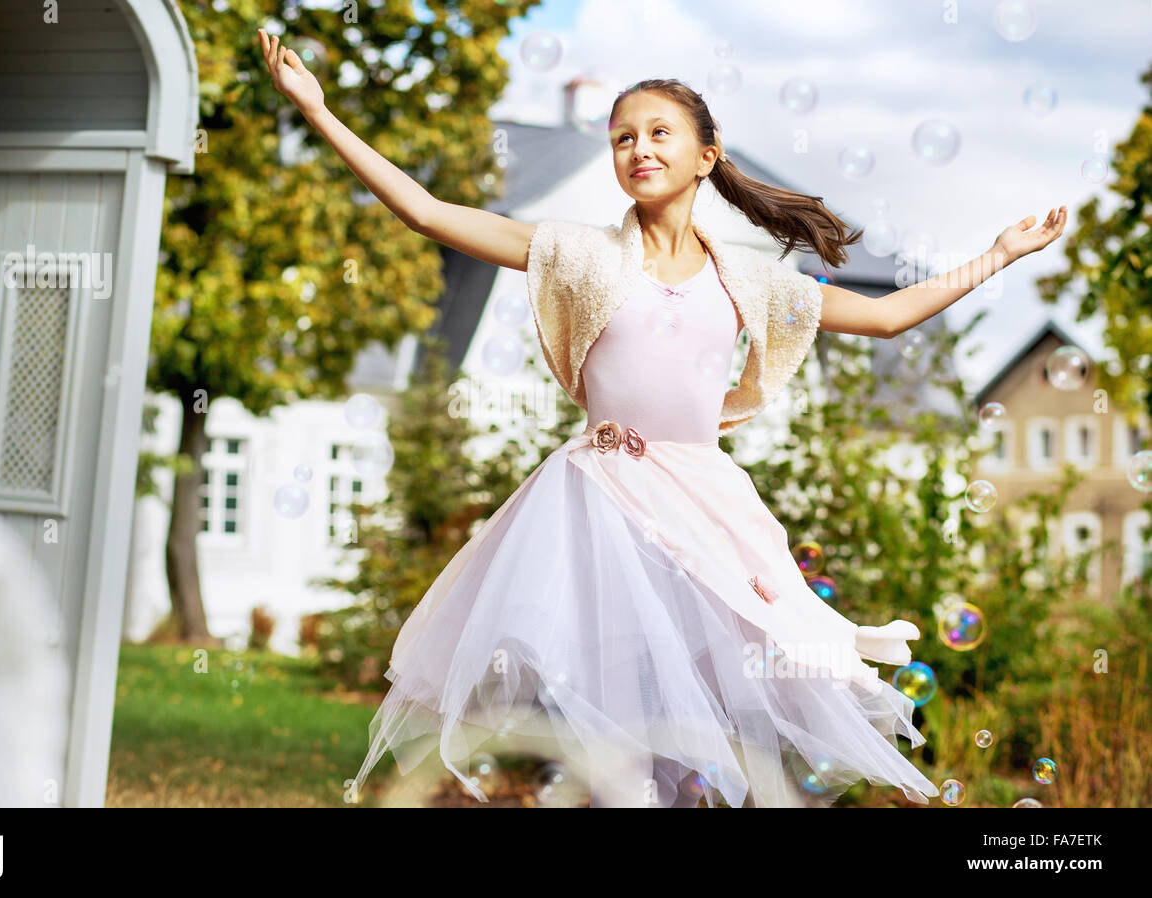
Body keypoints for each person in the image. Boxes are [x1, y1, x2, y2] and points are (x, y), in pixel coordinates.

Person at [257, 30, 1068, 808]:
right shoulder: (579, 254)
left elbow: (889, 318)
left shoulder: (751, 281)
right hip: (596, 506)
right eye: (621, 138)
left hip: (705, 508)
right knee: (618, 737)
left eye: (658, 132)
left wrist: (997, 255)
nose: (637, 148)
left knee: (695, 720)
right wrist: (320, 110)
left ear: (706, 157)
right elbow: (430, 214)